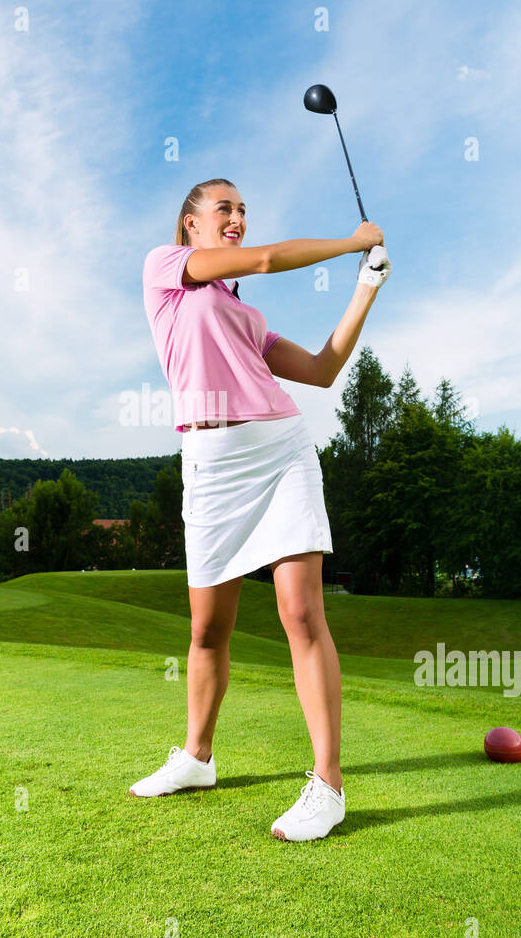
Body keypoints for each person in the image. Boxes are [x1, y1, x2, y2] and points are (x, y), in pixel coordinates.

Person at [129, 178, 392, 841]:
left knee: (301, 611)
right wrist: (350, 242)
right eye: (226, 209)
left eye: (245, 209)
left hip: (280, 454)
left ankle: (328, 784)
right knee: (207, 631)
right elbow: (269, 260)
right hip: (210, 466)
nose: (239, 218)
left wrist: (365, 287)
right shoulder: (165, 270)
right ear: (190, 225)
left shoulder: (247, 319)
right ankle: (196, 757)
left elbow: (324, 368)